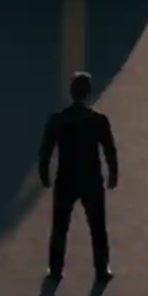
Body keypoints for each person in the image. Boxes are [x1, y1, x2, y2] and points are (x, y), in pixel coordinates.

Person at [38, 71, 118, 282]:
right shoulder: (99, 121)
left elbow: (45, 151)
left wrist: (44, 174)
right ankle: (102, 269)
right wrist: (113, 173)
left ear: (71, 93)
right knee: (98, 228)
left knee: (60, 227)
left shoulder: (57, 120)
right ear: (89, 94)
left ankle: (55, 270)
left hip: (65, 179)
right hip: (91, 180)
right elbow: (109, 149)